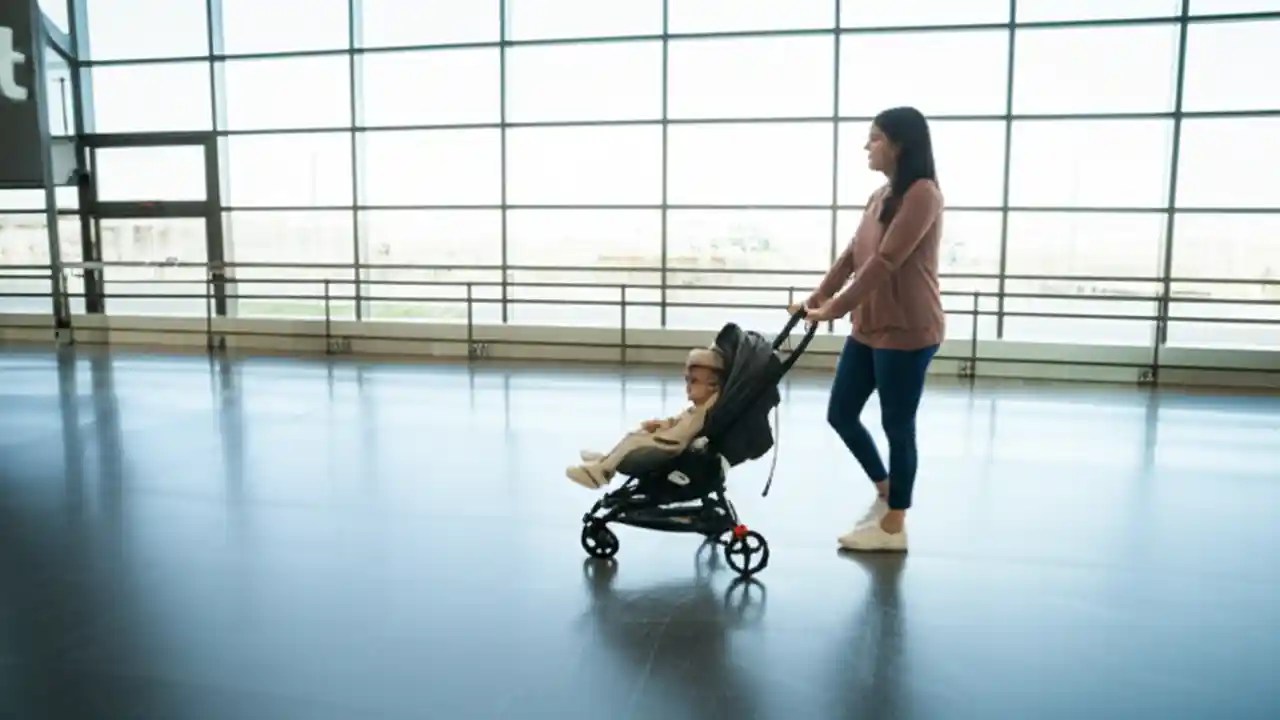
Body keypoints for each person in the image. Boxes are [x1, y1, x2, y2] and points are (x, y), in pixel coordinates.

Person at [790, 106, 945, 552]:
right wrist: (816, 299)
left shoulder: (923, 194)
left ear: (899, 144)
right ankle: (886, 487)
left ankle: (894, 525)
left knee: (898, 424)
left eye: (875, 138)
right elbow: (853, 256)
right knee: (841, 413)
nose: (867, 146)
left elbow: (887, 261)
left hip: (907, 330)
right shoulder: (880, 195)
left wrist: (834, 309)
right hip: (869, 326)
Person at [567, 346, 725, 490]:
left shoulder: (704, 412)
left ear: (713, 386)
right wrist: (662, 424)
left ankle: (600, 473)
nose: (688, 386)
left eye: (694, 381)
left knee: (634, 439)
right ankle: (606, 461)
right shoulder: (696, 410)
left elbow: (680, 434)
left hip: (669, 446)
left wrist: (661, 432)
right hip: (668, 439)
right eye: (687, 380)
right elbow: (677, 422)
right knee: (636, 435)